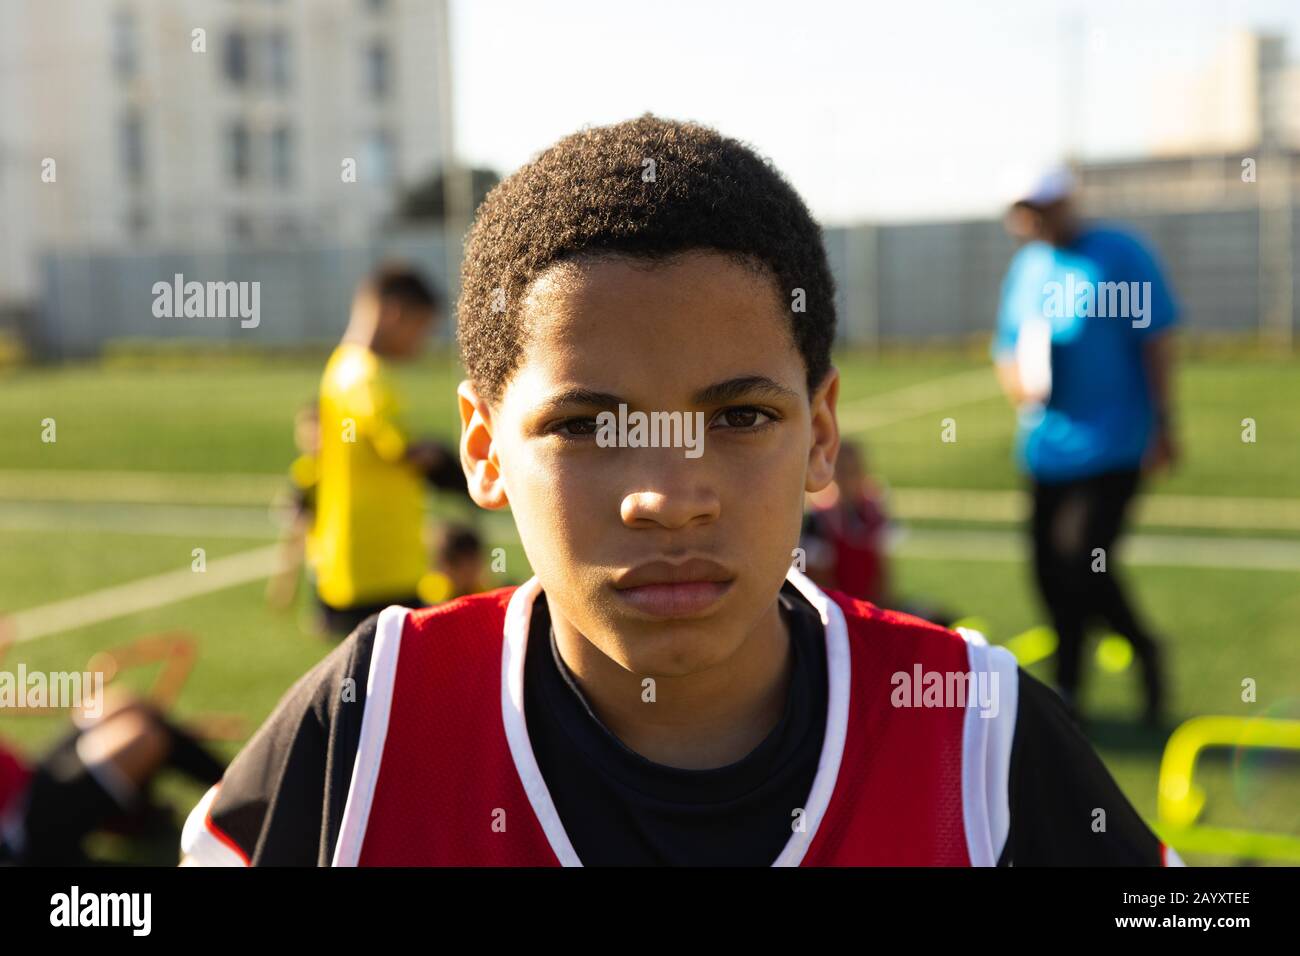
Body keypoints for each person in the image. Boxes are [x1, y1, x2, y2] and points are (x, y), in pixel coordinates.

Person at [182, 116, 1180, 867]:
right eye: (585, 426)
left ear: (820, 436)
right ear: (482, 449)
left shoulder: (977, 734)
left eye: (740, 417)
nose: (668, 496)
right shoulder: (371, 722)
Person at [991, 166, 1178, 727]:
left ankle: (1143, 651)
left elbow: (1156, 340)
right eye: (1027, 208)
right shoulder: (1026, 267)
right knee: (1049, 572)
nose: (1037, 218)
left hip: (1114, 442)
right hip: (1047, 447)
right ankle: (1070, 689)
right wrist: (1017, 386)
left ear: (1068, 202)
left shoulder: (1119, 254)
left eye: (1045, 205)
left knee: (1084, 559)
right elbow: (1005, 345)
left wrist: (1165, 424)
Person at [312, 264, 464, 637]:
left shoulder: (341, 365)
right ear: (395, 313)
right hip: (377, 565)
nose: (421, 342)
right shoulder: (365, 375)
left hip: (359, 558)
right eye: (421, 328)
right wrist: (457, 468)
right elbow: (404, 451)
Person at [1, 690, 223, 865]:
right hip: (21, 829)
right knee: (141, 736)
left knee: (119, 705)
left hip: (32, 780)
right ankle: (237, 799)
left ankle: (231, 782)